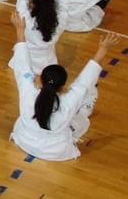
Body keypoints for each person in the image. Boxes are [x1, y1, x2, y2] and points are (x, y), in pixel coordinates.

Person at [8, 29, 114, 162]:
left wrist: (19, 30)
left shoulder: (28, 91)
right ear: (64, 85)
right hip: (55, 152)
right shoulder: (69, 99)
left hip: (23, 140)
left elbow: (22, 66)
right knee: (83, 119)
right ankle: (85, 108)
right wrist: (103, 48)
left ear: (40, 79)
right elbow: (85, 81)